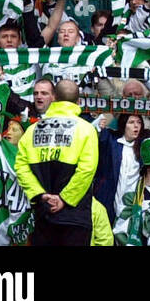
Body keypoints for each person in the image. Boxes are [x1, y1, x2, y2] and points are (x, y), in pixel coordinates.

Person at [14, 79, 100, 246]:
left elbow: (21, 166)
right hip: (75, 218)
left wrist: (40, 195)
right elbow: (87, 170)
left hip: (44, 215)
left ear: (54, 98)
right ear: (79, 101)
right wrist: (64, 199)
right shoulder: (86, 129)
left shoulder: (33, 130)